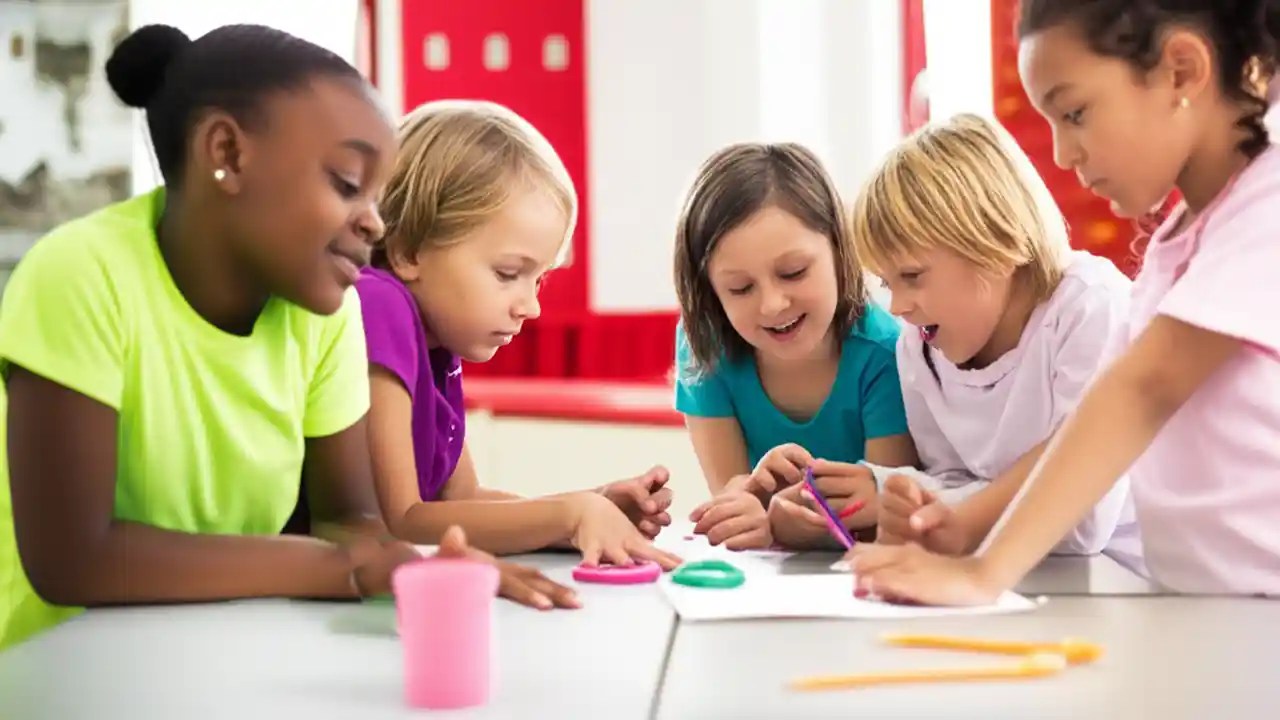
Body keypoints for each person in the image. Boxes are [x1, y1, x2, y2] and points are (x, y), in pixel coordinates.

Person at [0, 24, 574, 650]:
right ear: (227, 153)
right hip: (53, 664)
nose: (376, 222)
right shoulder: (81, 274)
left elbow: (347, 519)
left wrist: (417, 565)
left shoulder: (324, 313)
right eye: (348, 183)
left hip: (223, 649)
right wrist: (354, 568)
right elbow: (73, 561)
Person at [851, 0, 1280, 602]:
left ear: (1181, 72)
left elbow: (1140, 391)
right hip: (1207, 610)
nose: (1060, 153)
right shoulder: (1180, 239)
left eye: (1075, 113)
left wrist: (983, 572)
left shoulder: (1267, 203)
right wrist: (961, 526)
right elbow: (1104, 416)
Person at [357, 99, 680, 569]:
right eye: (508, 273)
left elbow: (460, 499)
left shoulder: (438, 346)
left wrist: (594, 503)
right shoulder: (378, 305)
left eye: (539, 279)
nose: (531, 307)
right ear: (409, 251)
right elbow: (401, 521)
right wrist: (568, 515)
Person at [848, 113, 1141, 569]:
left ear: (994, 243)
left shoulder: (1090, 308)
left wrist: (927, 504)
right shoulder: (918, 348)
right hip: (1022, 576)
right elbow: (947, 481)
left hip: (1136, 585)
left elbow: (1082, 525)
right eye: (887, 284)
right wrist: (894, 496)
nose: (897, 306)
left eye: (911, 276)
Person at [671, 143, 917, 550]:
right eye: (740, 288)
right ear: (711, 292)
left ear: (841, 249)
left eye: (793, 272)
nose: (771, 304)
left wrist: (779, 520)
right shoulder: (703, 346)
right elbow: (729, 496)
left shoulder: (886, 353)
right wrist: (749, 500)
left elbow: (886, 520)